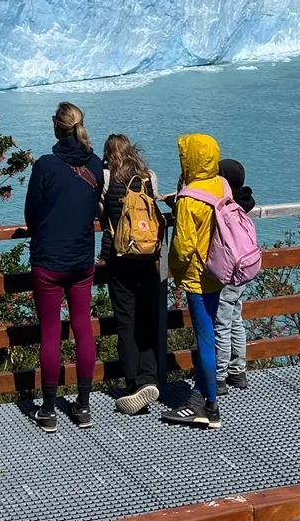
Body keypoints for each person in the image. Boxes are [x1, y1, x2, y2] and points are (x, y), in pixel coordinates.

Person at [23, 102, 104, 432]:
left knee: (50, 333)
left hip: (48, 262)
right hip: (83, 260)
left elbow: (32, 215)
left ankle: (48, 410)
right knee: (83, 326)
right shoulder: (96, 165)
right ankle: (83, 407)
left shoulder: (45, 166)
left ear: (57, 127)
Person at [160, 133, 225, 429]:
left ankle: (210, 407)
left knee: (204, 339)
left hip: (198, 276)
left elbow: (183, 247)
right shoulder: (220, 184)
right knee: (209, 333)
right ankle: (201, 395)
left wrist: (173, 271)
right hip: (219, 270)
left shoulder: (189, 198)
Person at [100, 134, 163, 416]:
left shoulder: (105, 178)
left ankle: (132, 384)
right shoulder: (148, 177)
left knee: (125, 322)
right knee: (146, 319)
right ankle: (149, 378)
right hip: (148, 258)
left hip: (120, 257)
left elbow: (101, 212)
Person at [213, 158, 255, 393]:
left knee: (222, 322)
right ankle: (238, 372)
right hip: (243, 267)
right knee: (236, 318)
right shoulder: (244, 203)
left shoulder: (224, 204)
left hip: (227, 269)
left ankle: (219, 376)